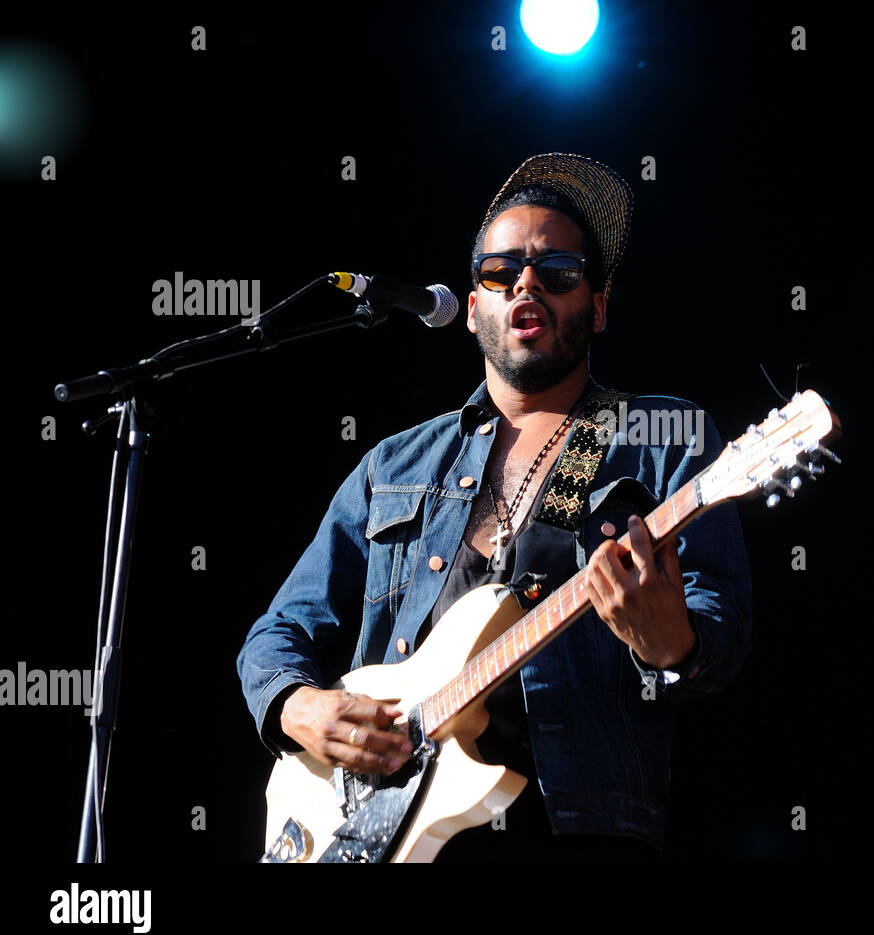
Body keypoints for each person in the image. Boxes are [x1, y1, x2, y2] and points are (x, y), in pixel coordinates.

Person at [237, 153, 752, 861]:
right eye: (500, 271)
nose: (527, 283)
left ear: (597, 306)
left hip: (574, 827)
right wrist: (303, 707)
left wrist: (672, 644)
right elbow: (278, 631)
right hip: (381, 829)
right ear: (473, 307)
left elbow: (720, 629)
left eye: (559, 272)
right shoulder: (392, 463)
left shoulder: (662, 434)